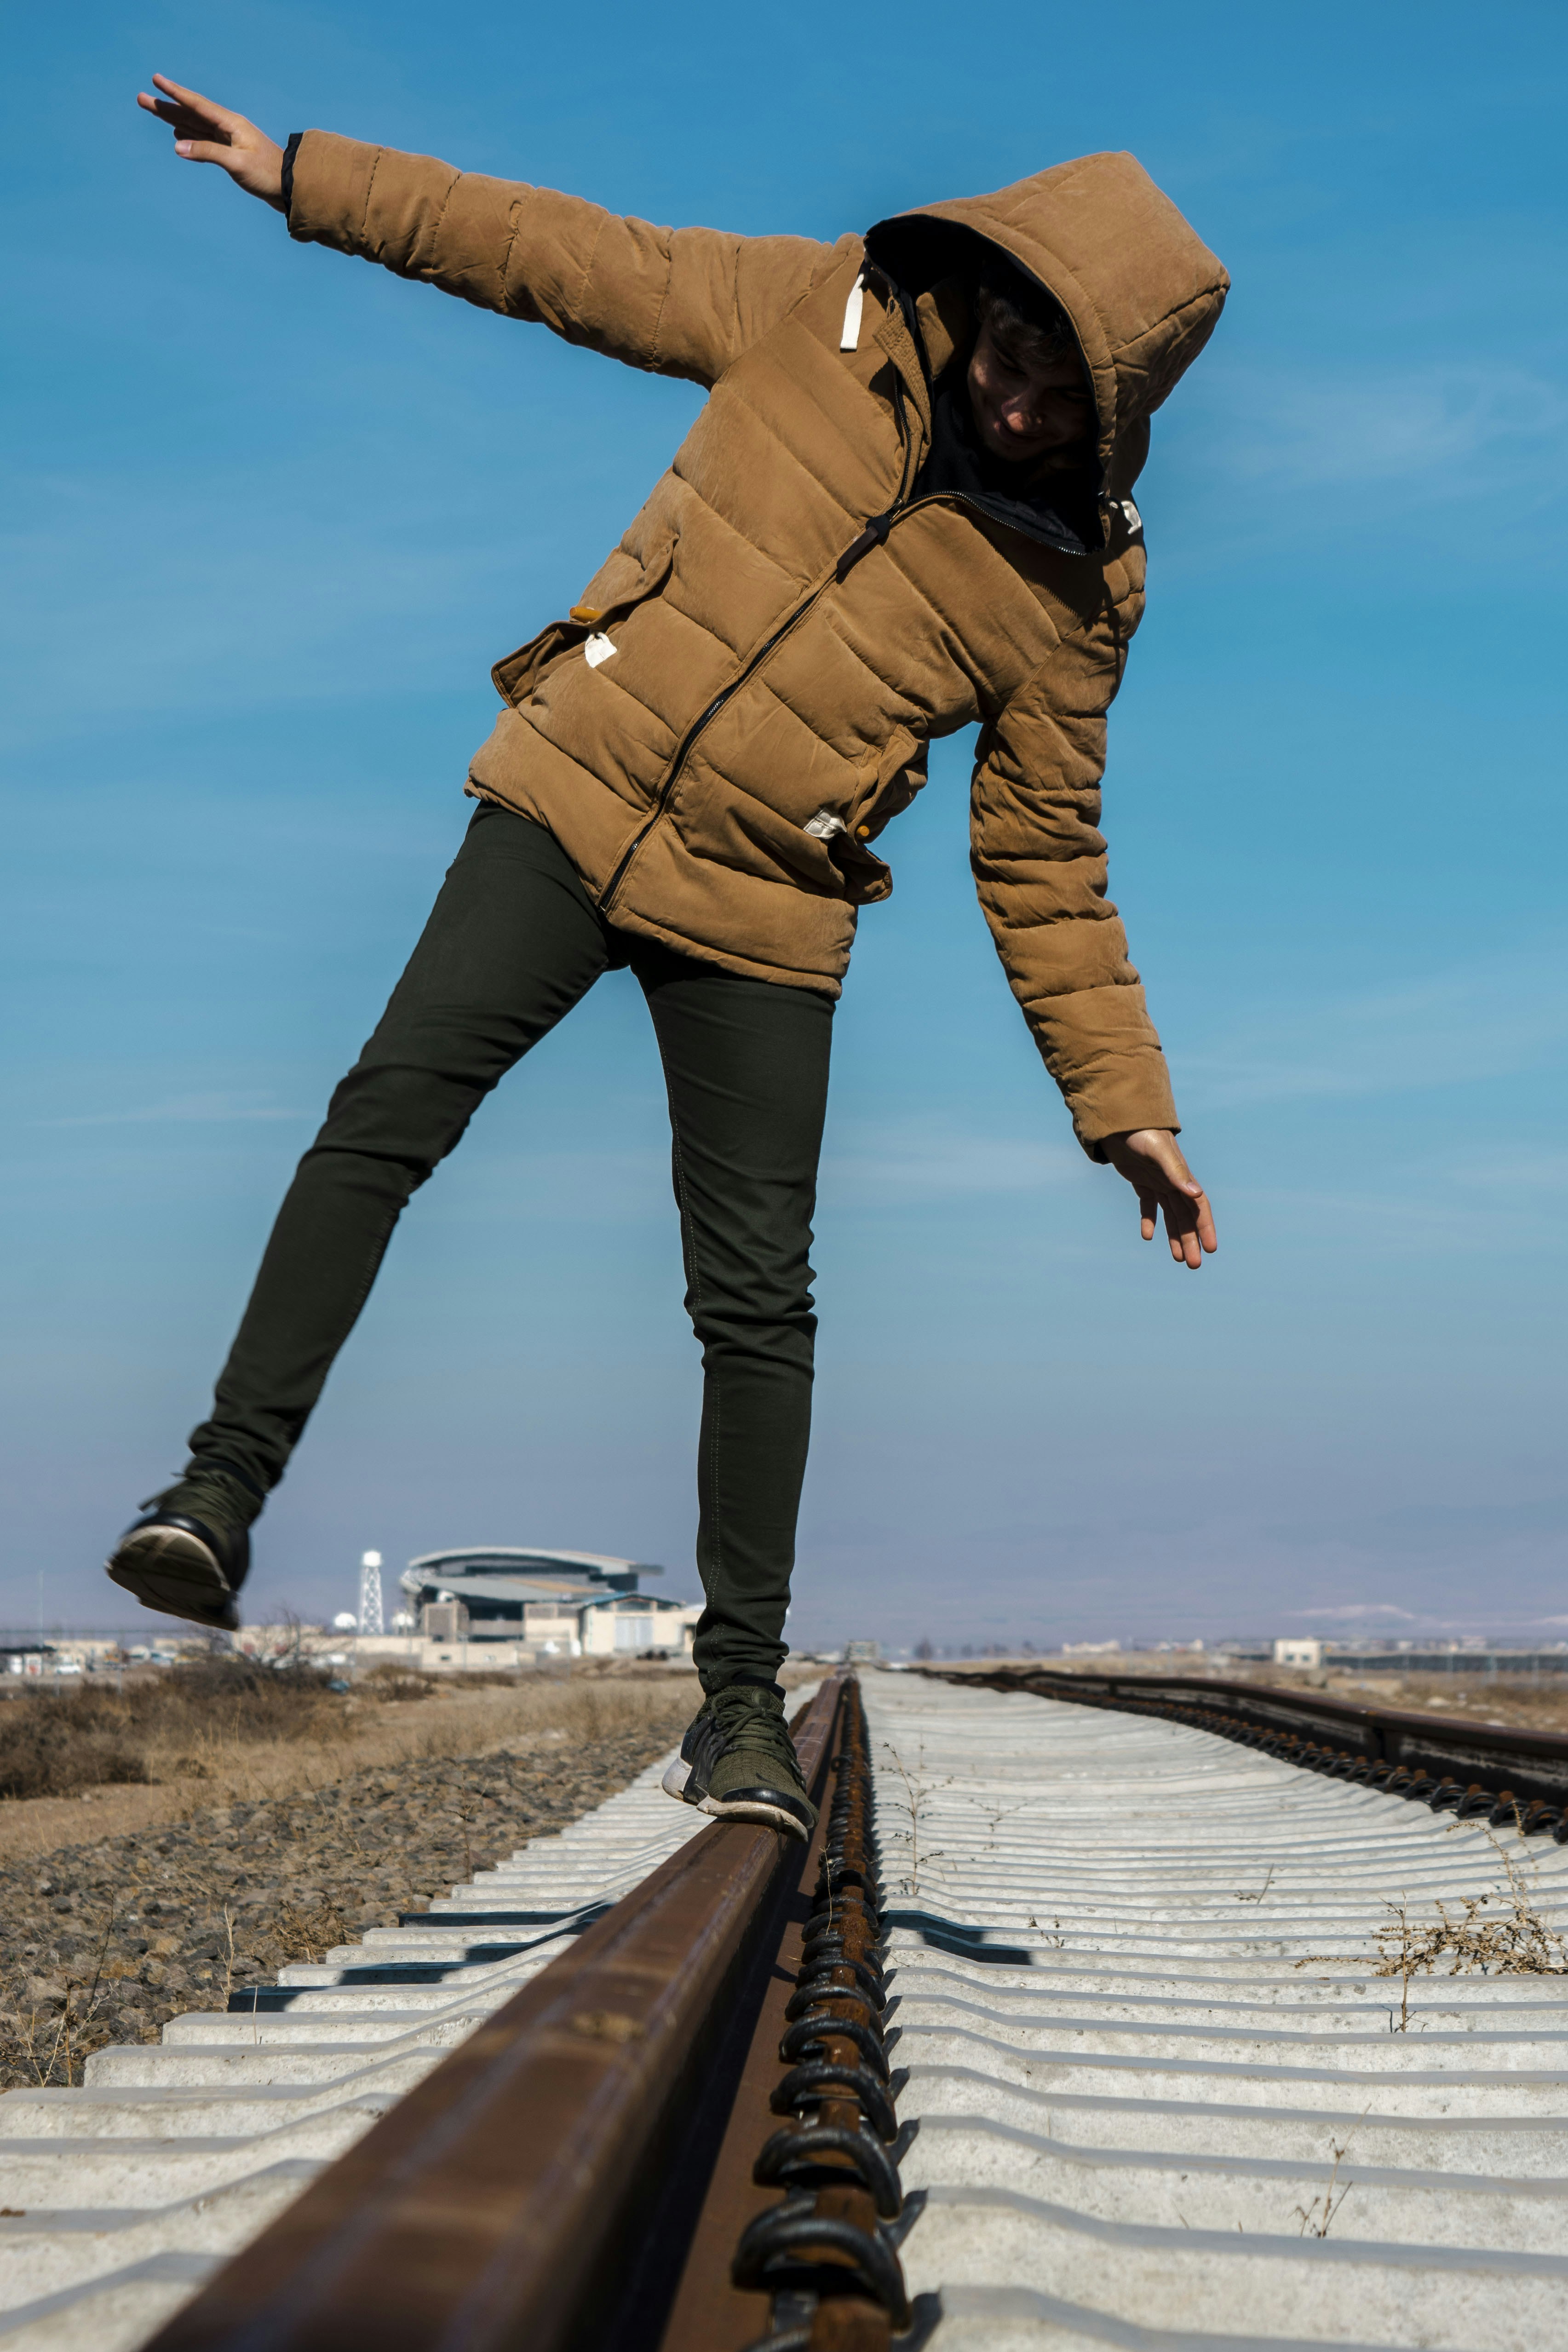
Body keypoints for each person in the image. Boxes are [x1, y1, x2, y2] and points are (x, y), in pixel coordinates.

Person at [109, 76, 1226, 1840]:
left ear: (1116, 408)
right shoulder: (822, 313)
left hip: (769, 908)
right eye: (1012, 348)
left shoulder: (1079, 587)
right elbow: (557, 253)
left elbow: (1041, 853)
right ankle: (217, 1489)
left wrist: (1124, 1107)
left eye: (1058, 392)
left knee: (756, 1299)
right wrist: (303, 176)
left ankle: (738, 1708)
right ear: (987, 289)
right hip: (571, 793)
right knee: (382, 1114)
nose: (1014, 397)